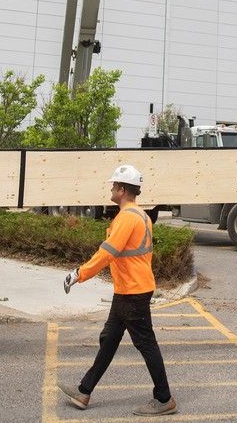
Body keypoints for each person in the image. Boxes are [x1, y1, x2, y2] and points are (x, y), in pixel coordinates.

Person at [58, 164, 177, 416]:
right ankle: (84, 392)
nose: (111, 188)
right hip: (128, 290)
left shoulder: (127, 218)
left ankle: (164, 398)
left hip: (133, 292)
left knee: (146, 344)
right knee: (109, 339)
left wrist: (79, 274)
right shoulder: (142, 215)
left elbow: (107, 253)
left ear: (122, 190)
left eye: (114, 185)